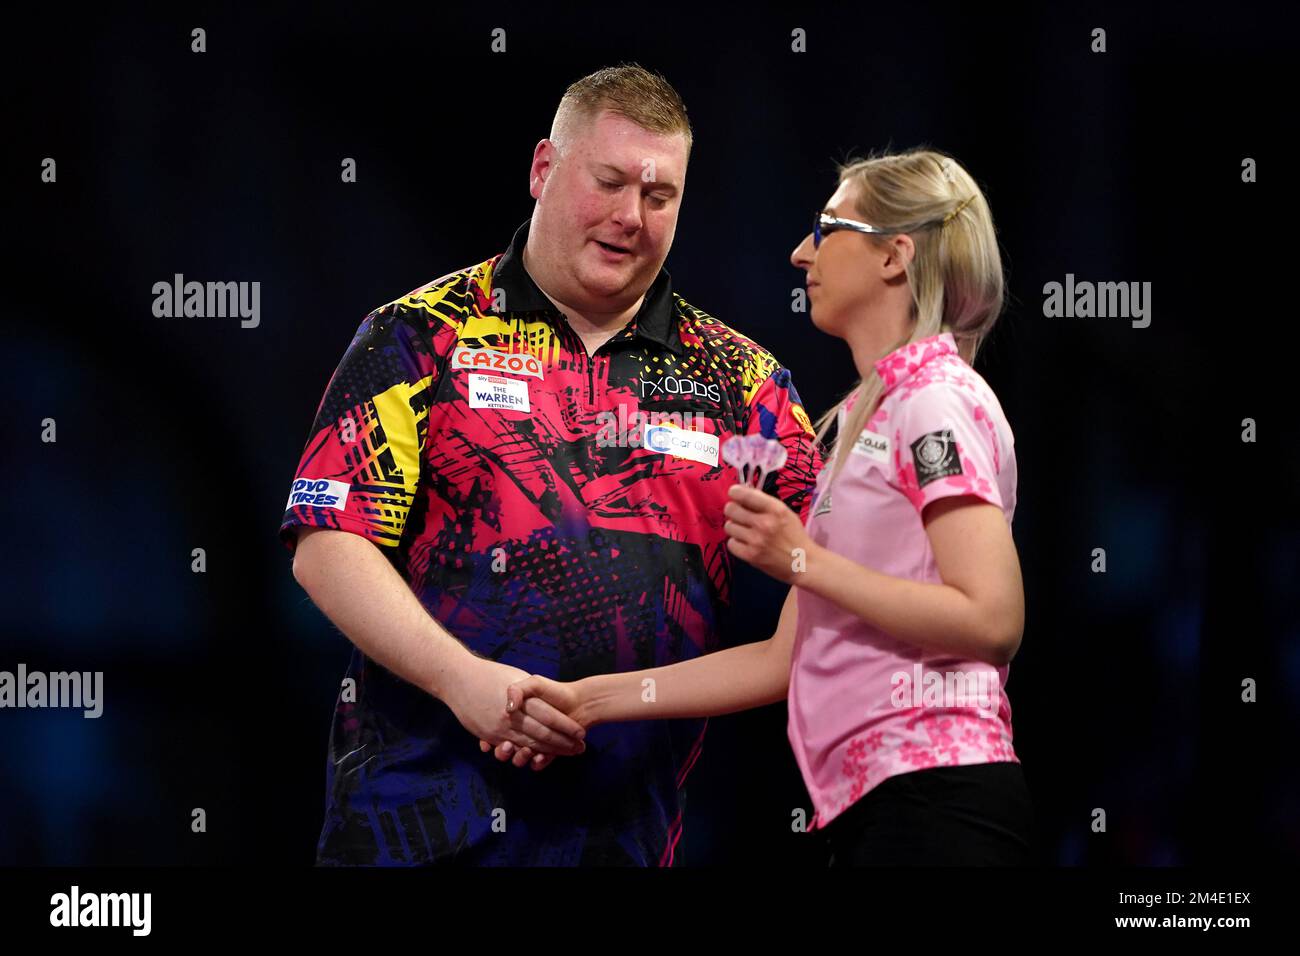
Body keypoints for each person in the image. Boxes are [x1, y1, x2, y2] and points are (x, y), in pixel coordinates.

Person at [279, 63, 823, 865]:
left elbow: (844, 565)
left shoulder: (743, 381)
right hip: (407, 835)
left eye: (659, 196)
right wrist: (463, 680)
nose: (631, 218)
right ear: (543, 168)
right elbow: (328, 542)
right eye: (607, 182)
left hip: (628, 840)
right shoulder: (419, 335)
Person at [499, 148, 1036, 866]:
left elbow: (992, 619)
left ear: (894, 256)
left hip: (938, 800)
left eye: (826, 229)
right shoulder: (865, 420)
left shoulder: (936, 401)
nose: (798, 252)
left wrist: (802, 559)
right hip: (873, 805)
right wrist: (588, 701)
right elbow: (786, 657)